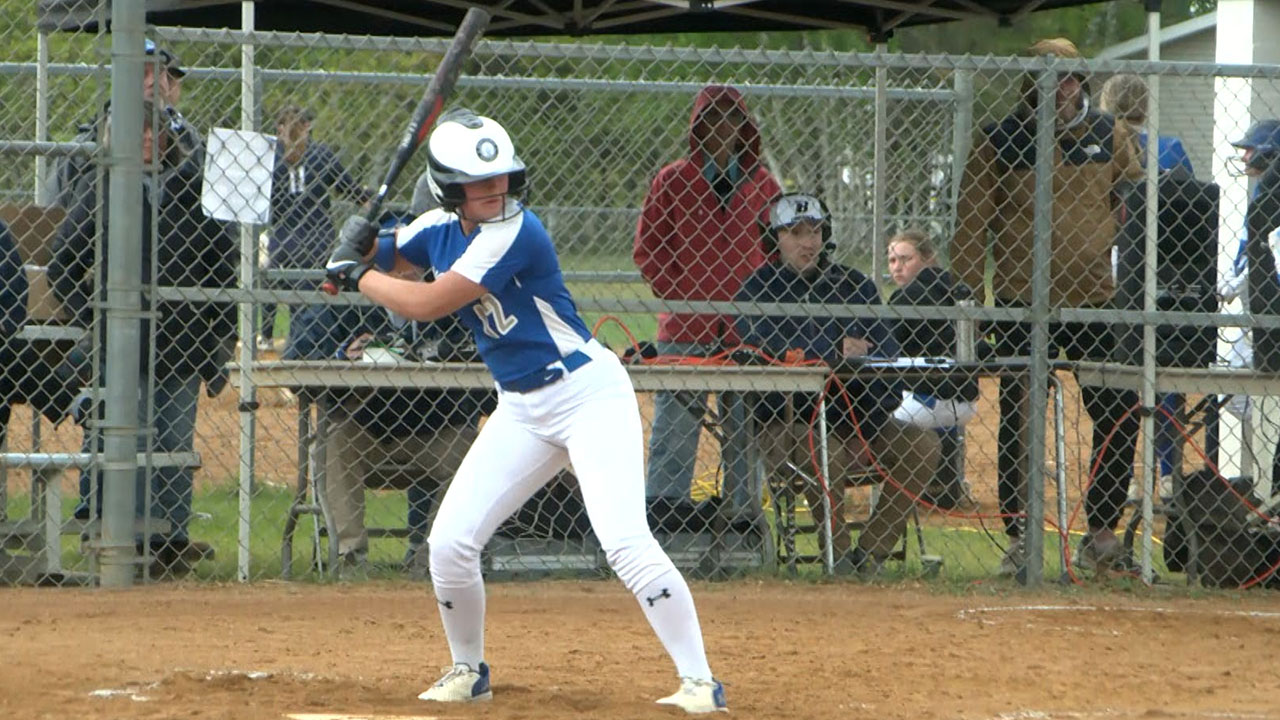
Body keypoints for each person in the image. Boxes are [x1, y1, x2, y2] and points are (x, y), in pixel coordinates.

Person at [324, 108, 726, 712]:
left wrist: (356, 276)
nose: (495, 192)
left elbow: (428, 301)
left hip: (588, 396)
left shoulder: (517, 232)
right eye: (477, 185)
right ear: (447, 190)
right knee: (450, 544)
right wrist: (362, 242)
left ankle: (701, 683)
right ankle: (468, 669)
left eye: (502, 180)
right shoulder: (439, 225)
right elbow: (398, 255)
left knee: (623, 542)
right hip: (522, 409)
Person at [950, 37, 1144, 576]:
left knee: (1116, 409)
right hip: (1019, 300)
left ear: (1081, 82)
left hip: (1093, 300)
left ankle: (1100, 532)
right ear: (1028, 84)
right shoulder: (1001, 140)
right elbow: (971, 227)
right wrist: (970, 300)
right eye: (1046, 78)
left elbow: (1139, 205)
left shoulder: (1110, 135)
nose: (1059, 88)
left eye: (1068, 78)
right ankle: (1021, 538)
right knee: (1019, 414)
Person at [49, 99, 238, 578]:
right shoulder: (103, 186)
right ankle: (108, 533)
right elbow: (62, 265)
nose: (150, 139)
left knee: (173, 442)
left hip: (180, 342)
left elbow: (222, 269)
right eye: (139, 130)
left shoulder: (192, 191)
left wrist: (220, 337)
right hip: (120, 343)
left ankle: (169, 542)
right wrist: (97, 317)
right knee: (116, 434)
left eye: (156, 131)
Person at [734, 193, 941, 576]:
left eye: (814, 231)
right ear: (774, 238)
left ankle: (871, 553)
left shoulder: (853, 285)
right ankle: (839, 557)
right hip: (789, 422)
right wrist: (831, 350)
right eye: (795, 232)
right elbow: (763, 349)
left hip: (855, 416)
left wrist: (865, 395)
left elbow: (886, 349)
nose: (808, 241)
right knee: (826, 451)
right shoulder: (757, 289)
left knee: (923, 446)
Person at [633, 84, 782, 533]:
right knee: (676, 426)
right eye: (713, 119)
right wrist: (679, 290)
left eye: (732, 119)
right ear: (698, 126)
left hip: (745, 328)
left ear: (744, 127)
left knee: (745, 426)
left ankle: (741, 516)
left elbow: (778, 248)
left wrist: (761, 297)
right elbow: (648, 247)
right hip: (686, 323)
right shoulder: (674, 179)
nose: (723, 127)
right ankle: (665, 514)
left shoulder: (761, 183)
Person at [324, 219, 494, 577]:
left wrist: (450, 357)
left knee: (474, 452)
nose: (404, 271)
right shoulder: (347, 303)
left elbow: (487, 388)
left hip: (436, 430)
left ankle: (433, 558)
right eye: (393, 261)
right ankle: (350, 558)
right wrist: (342, 356)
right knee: (332, 443)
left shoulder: (450, 301)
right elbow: (301, 356)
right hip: (367, 428)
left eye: (412, 262)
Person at [1098, 73, 1200, 497]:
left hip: (1113, 262)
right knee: (1164, 373)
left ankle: (1127, 476)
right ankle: (1165, 472)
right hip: (1163, 266)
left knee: (1123, 375)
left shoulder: (1102, 143)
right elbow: (1189, 207)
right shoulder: (1169, 148)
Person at [259, 105, 370, 357]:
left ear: (279, 129)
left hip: (282, 237)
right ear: (307, 126)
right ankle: (298, 343)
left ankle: (265, 336)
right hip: (317, 237)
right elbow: (349, 189)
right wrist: (368, 198)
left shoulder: (270, 154)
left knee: (270, 283)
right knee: (308, 297)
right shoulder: (320, 153)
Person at [886, 229, 981, 511]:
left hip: (924, 403)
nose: (897, 267)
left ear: (927, 260)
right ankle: (945, 487)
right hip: (966, 403)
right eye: (892, 260)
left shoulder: (907, 297)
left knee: (875, 410)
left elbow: (883, 347)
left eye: (906, 258)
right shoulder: (957, 291)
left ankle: (900, 492)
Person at [55, 38, 199, 210]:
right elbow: (55, 217)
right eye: (143, 73)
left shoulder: (189, 141)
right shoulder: (83, 150)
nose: (154, 81)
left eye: (159, 71)